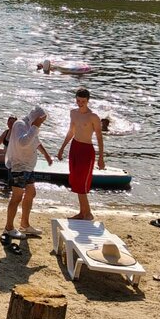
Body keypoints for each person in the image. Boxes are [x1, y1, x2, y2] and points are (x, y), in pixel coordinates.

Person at [3, 106, 52, 240]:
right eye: (41, 120)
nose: (42, 123)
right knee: (17, 197)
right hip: (19, 167)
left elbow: (35, 141)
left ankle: (24, 224)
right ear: (35, 117)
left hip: (28, 167)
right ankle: (8, 228)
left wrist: (46, 155)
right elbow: (23, 142)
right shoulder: (20, 124)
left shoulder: (31, 126)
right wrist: (35, 126)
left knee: (31, 193)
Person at [57, 89, 105, 221]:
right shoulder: (73, 113)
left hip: (86, 149)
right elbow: (71, 131)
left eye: (83, 101)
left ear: (88, 101)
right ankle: (82, 212)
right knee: (75, 180)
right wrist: (62, 148)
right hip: (75, 147)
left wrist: (101, 158)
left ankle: (88, 213)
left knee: (83, 181)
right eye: (78, 101)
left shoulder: (93, 117)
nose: (80, 103)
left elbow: (99, 137)